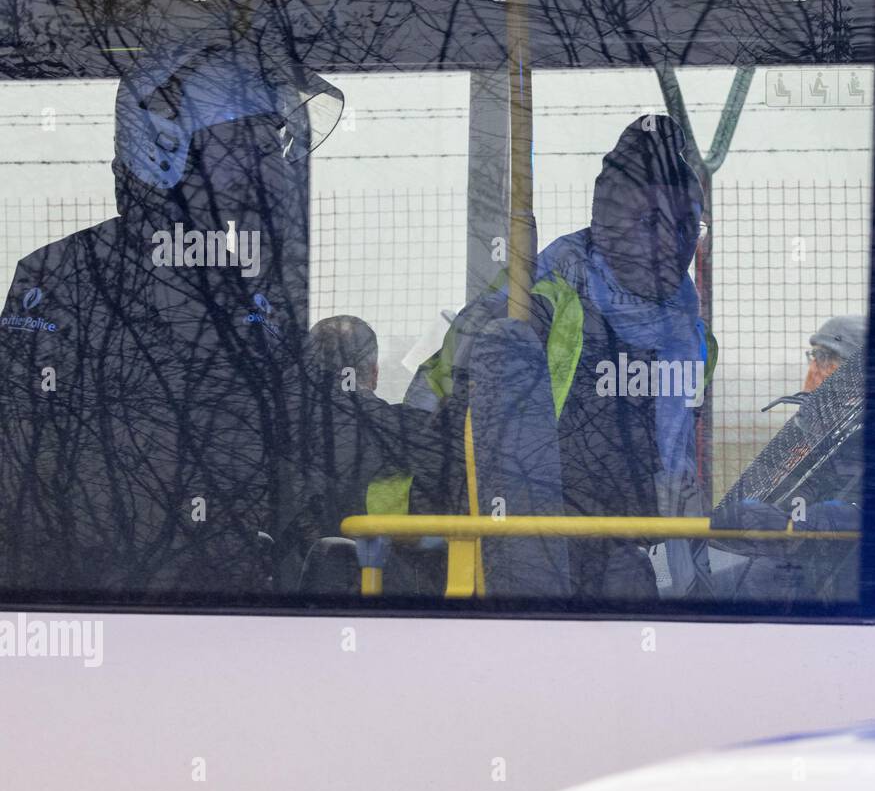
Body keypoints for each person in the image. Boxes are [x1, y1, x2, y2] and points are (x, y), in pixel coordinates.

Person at [0, 41, 449, 594]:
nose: (279, 163)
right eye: (259, 144)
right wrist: (441, 448)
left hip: (205, 592)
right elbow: (38, 462)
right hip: (110, 601)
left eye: (278, 143)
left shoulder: (231, 285)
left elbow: (303, 411)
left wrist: (443, 443)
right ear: (166, 149)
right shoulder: (70, 276)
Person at [405, 115, 717, 600]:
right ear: (609, 224)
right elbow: (434, 413)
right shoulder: (529, 301)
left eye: (687, 226)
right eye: (652, 222)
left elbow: (677, 474)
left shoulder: (691, 337)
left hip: (636, 554)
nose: (673, 243)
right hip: (524, 556)